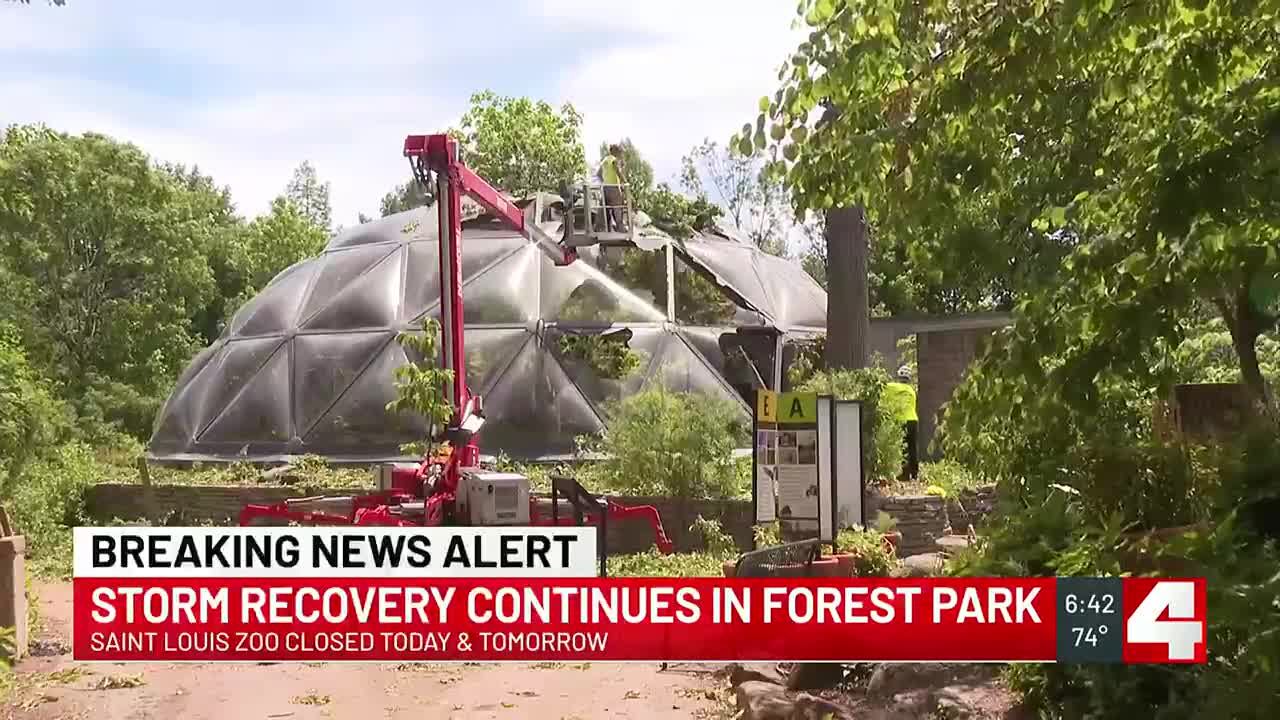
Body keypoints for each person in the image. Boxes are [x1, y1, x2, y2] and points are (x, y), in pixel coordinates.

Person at [883, 366, 919, 481]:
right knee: (912, 448)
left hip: (901, 420)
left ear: (899, 376)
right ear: (909, 379)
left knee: (903, 448)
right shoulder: (912, 391)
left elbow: (881, 387)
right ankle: (914, 474)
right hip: (913, 420)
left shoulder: (892, 387)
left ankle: (904, 474)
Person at [597, 144, 627, 232]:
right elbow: (618, 171)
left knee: (606, 209)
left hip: (605, 188)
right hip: (613, 188)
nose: (621, 154)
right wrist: (625, 182)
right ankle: (620, 227)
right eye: (620, 152)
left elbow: (599, 174)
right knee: (618, 208)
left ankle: (606, 228)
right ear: (615, 152)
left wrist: (605, 181)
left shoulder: (605, 160)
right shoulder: (614, 160)